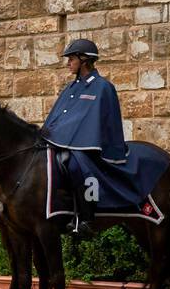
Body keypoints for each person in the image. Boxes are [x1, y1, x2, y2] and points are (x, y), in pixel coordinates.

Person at [40, 38, 127, 237]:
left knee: (75, 165)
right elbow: (60, 116)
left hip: (89, 146)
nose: (68, 63)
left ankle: (84, 219)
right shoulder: (71, 88)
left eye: (72, 59)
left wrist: (77, 139)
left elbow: (103, 120)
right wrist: (47, 133)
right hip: (65, 143)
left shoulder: (103, 87)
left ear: (85, 60)